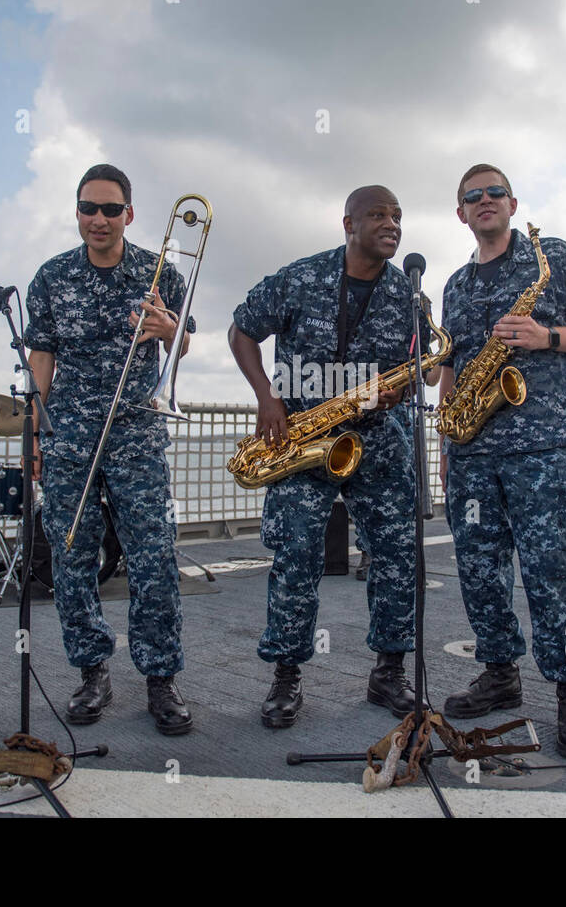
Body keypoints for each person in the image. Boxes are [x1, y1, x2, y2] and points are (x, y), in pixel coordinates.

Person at [229, 185, 432, 728]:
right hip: (302, 439)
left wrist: (402, 389)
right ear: (349, 223)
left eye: (398, 216)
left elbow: (425, 369)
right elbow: (241, 330)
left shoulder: (411, 296)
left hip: (379, 441)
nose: (391, 224)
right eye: (378, 215)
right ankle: (287, 676)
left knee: (396, 554)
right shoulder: (299, 277)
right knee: (296, 556)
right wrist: (266, 397)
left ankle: (389, 671)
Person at [437, 164, 566, 760]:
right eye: (472, 197)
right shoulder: (456, 285)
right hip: (472, 451)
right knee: (480, 571)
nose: (484, 201)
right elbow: (450, 367)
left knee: (552, 572)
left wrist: (549, 338)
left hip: (539, 447)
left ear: (512, 203)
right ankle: (499, 673)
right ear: (461, 213)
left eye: (494, 193)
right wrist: (446, 443)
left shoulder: (553, 257)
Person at [26, 163, 196, 736]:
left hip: (137, 436)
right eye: (88, 209)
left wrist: (168, 329)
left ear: (129, 213)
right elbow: (41, 357)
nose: (98, 219)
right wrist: (35, 432)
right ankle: (92, 671)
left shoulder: (160, 272)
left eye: (110, 209)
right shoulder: (50, 277)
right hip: (70, 437)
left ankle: (160, 677)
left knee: (154, 557)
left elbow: (185, 342)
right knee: (72, 558)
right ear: (77, 213)